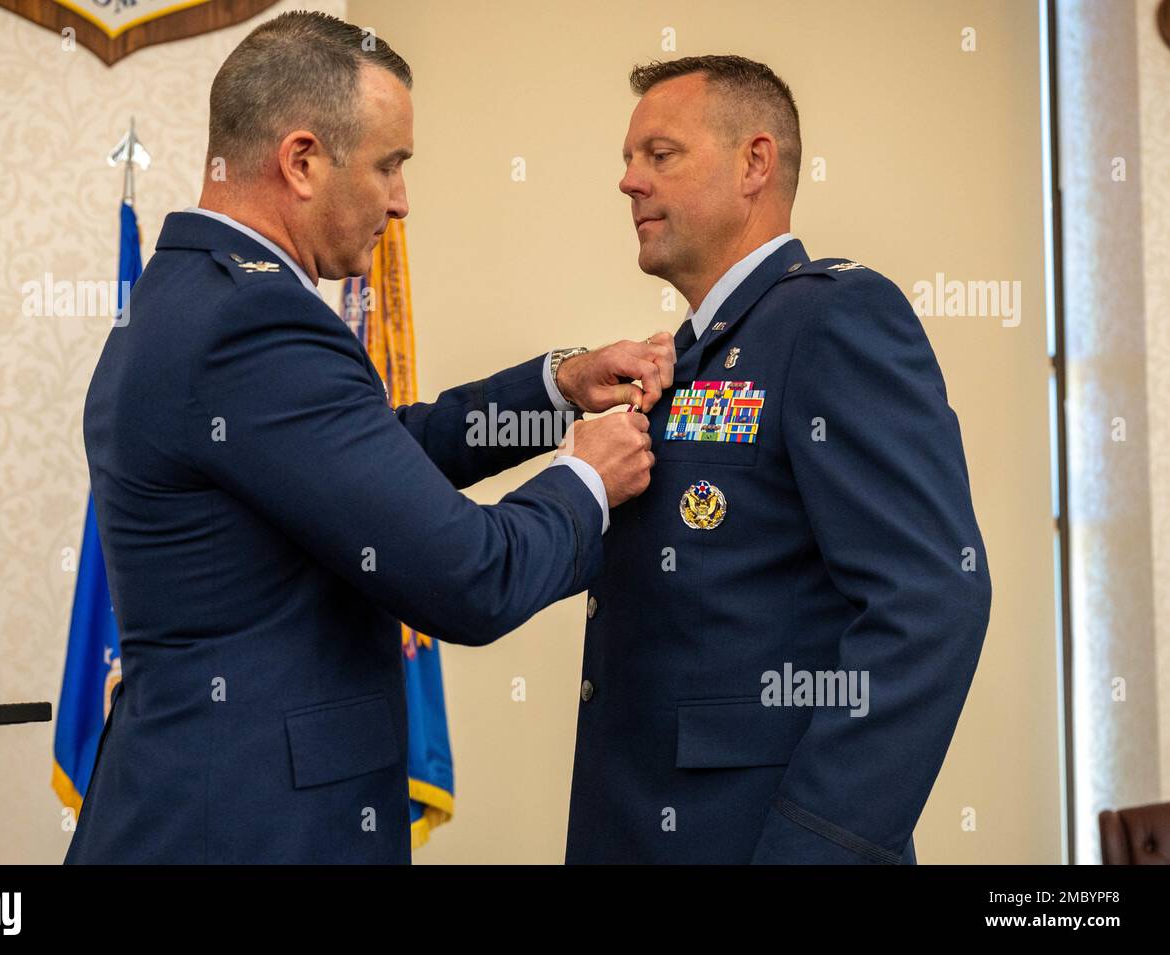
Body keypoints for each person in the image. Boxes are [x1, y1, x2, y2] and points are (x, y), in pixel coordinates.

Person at [66, 12, 672, 864]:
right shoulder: (253, 318)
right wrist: (586, 481)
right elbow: (470, 577)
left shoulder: (192, 294)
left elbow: (366, 456)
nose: (401, 200)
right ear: (302, 161)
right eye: (390, 164)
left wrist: (555, 387)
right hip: (250, 828)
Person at [565, 55, 992, 864]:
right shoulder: (692, 356)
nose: (628, 180)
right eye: (627, 159)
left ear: (754, 163)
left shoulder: (834, 317)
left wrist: (817, 848)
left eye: (660, 154)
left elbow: (932, 600)